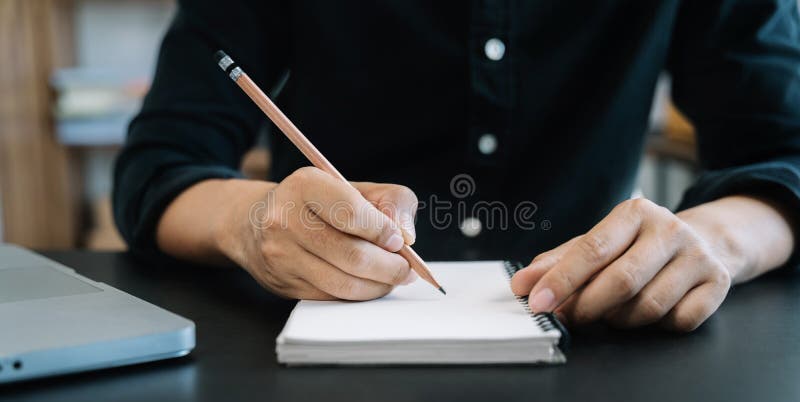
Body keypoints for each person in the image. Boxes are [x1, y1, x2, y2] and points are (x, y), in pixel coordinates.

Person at [113, 1, 800, 331]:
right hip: (319, 342)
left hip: (603, 337)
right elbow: (161, 163)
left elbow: (786, 147)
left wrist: (721, 238)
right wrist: (249, 220)